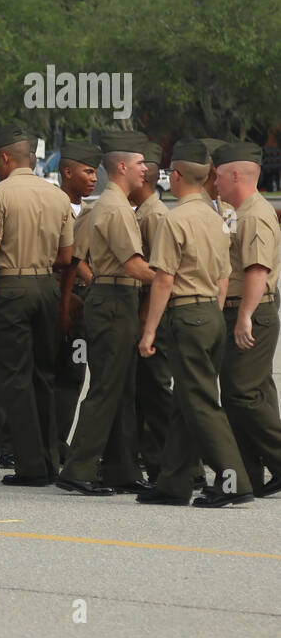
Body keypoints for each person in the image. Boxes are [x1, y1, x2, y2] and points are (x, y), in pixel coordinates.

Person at [137, 139, 249, 507]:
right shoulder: (217, 219)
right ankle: (173, 483)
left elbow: (164, 279)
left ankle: (233, 481)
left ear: (177, 175)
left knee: (200, 403)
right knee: (186, 402)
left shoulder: (176, 219)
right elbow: (222, 276)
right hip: (210, 314)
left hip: (187, 313)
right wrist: (211, 313)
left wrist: (150, 330)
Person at [56, 132, 154, 495]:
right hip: (114, 299)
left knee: (123, 389)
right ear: (123, 167)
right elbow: (135, 266)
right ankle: (77, 468)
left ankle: (121, 469)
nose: (147, 169)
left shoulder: (117, 205)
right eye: (141, 163)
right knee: (106, 388)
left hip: (120, 299)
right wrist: (175, 283)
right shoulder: (114, 208)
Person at [0, 125, 72, 485]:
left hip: (12, 287)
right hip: (46, 284)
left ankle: (30, 466)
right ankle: (50, 460)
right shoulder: (58, 196)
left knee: (15, 377)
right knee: (44, 376)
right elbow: (66, 256)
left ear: (3, 157)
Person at [212, 141, 281, 497]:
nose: (216, 182)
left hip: (253, 308)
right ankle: (248, 473)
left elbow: (257, 269)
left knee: (241, 393)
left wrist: (244, 317)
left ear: (236, 174)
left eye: (220, 175)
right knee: (254, 390)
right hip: (243, 308)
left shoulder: (254, 214)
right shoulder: (237, 211)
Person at [43, 140, 101, 467]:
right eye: (87, 171)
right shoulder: (51, 205)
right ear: (67, 172)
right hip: (56, 297)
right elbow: (62, 255)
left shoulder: (90, 210)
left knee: (73, 375)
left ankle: (57, 442)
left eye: (96, 172)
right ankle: (42, 444)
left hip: (81, 304)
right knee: (49, 373)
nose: (94, 178)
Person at [130, 141, 175, 483]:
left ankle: (167, 459)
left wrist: (148, 320)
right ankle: (150, 454)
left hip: (154, 311)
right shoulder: (143, 212)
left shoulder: (156, 215)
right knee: (144, 388)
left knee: (157, 389)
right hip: (144, 308)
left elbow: (161, 275)